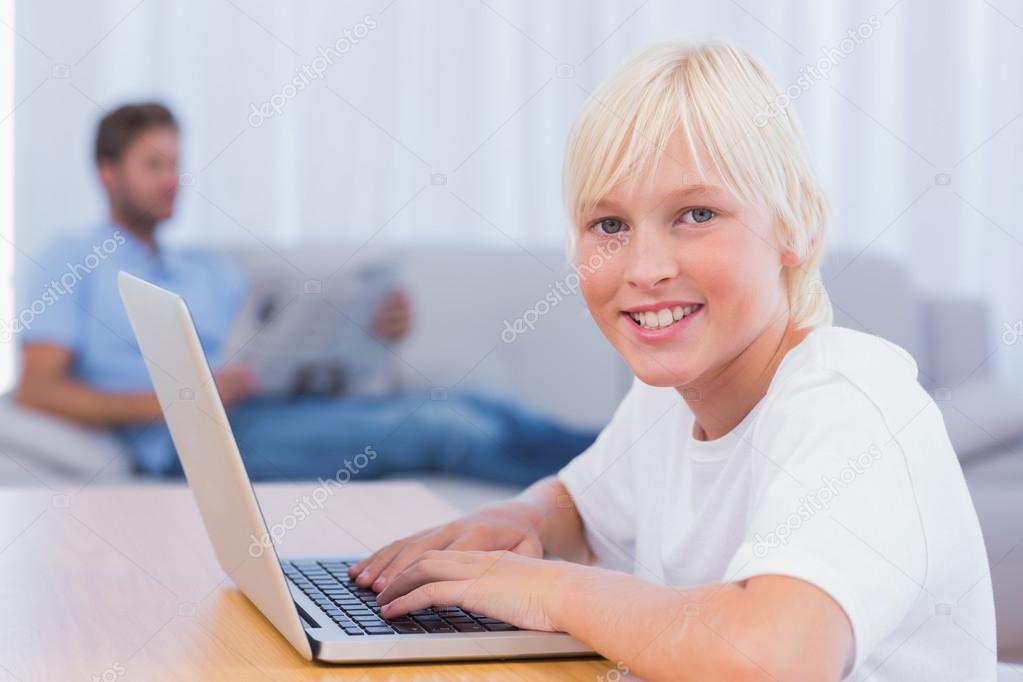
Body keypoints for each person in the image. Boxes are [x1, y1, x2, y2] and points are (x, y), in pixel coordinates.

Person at [350, 41, 996, 680]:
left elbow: (777, 660)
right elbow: (576, 507)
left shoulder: (845, 399)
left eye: (695, 214)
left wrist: (550, 589)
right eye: (609, 226)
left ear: (797, 229)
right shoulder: (668, 397)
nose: (644, 269)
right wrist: (513, 521)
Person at [15, 102, 594, 485]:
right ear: (107, 172)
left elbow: (274, 345)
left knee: (473, 404)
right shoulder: (73, 258)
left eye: (176, 163)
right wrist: (184, 398)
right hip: (202, 439)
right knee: (446, 431)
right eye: (153, 164)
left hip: (277, 403)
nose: (172, 180)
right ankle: (605, 487)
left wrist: (364, 326)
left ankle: (623, 463)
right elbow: (38, 390)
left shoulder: (206, 268)